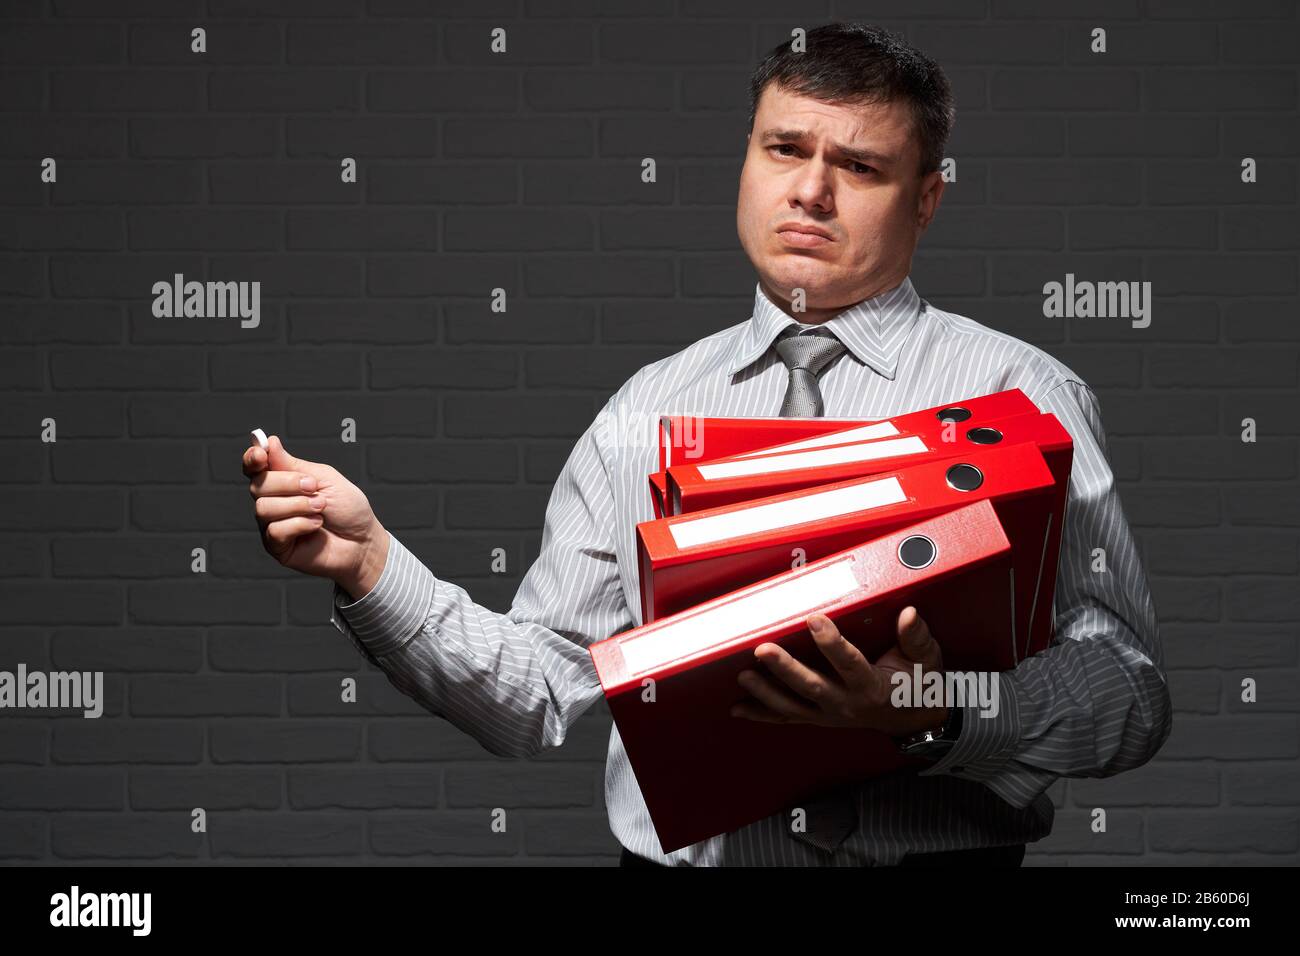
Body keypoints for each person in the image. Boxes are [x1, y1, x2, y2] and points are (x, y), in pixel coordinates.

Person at [242, 22, 1171, 867]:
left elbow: (1130, 697)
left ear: (925, 201)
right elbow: (533, 697)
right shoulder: (641, 413)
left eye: (859, 166)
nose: (810, 190)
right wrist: (368, 566)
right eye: (784, 149)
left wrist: (946, 711)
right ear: (747, 162)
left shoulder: (1026, 397)